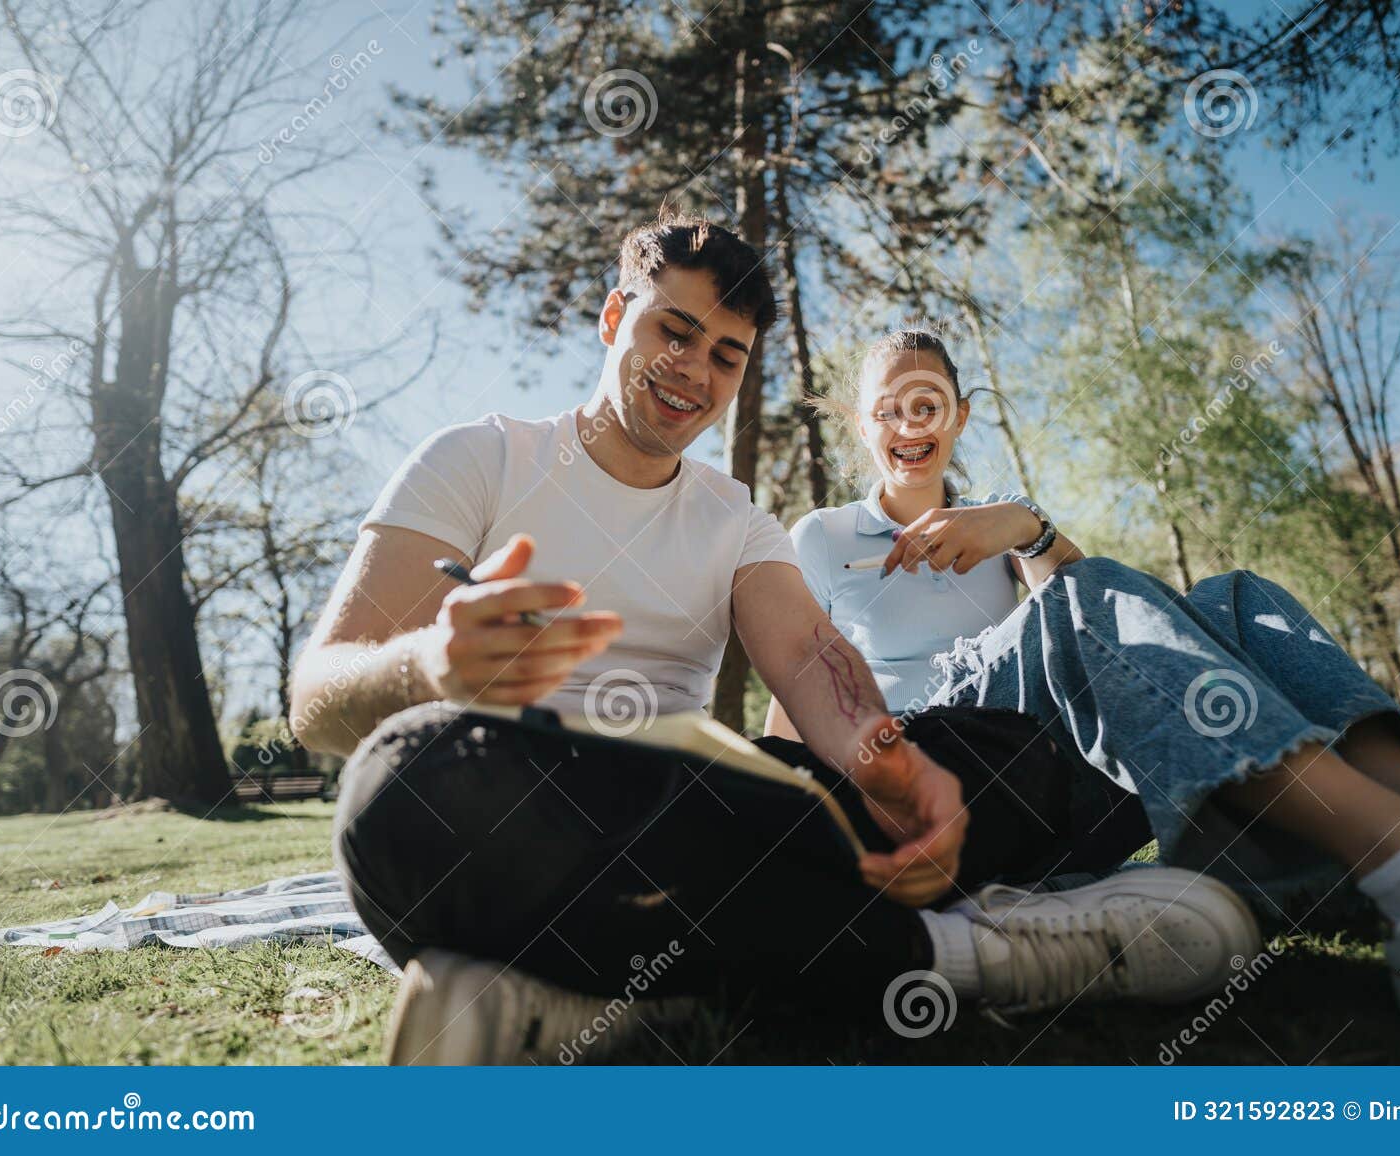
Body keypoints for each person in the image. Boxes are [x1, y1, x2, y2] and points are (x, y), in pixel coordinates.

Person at [293, 216, 1265, 1065]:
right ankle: (966, 955)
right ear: (610, 317)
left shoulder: (732, 514)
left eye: (726, 355)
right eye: (673, 329)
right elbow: (318, 698)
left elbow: (806, 656)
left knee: (1012, 760)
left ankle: (588, 1001)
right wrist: (431, 665)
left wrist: (879, 760)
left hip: (704, 823)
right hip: (530, 817)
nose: (695, 371)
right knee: (395, 787)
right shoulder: (477, 459)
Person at [768, 326, 1400, 1061]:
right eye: (887, 410)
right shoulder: (823, 537)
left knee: (1236, 595)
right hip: (931, 763)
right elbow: (796, 697)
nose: (909, 424)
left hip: (1043, 761)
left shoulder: (997, 524)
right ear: (862, 425)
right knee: (1086, 596)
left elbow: (1088, 606)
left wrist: (1025, 529)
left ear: (961, 417)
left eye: (927, 403)